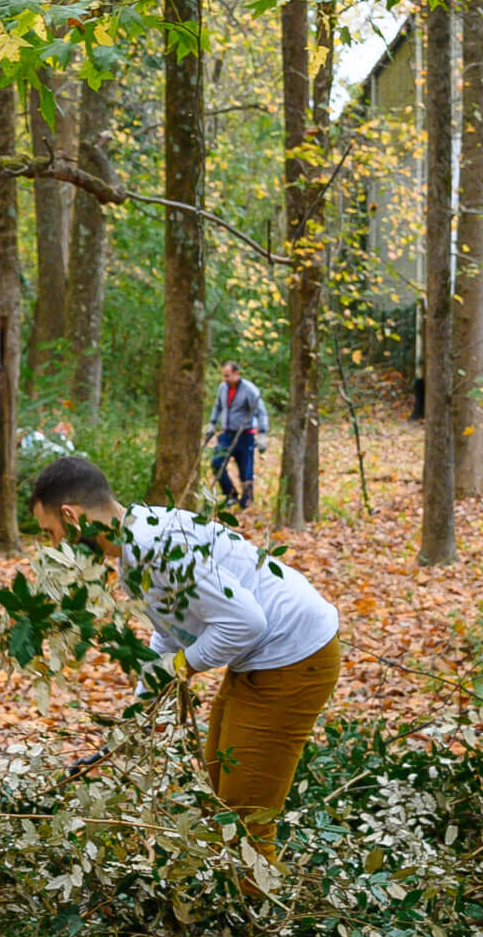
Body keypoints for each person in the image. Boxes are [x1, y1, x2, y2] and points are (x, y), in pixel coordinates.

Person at [29, 452, 341, 858]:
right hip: (260, 660)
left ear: (71, 517)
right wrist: (141, 706)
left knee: (244, 826)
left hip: (293, 655)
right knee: (219, 796)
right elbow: (171, 634)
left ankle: (253, 915)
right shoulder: (133, 548)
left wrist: (179, 669)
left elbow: (245, 623)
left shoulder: (159, 547)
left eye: (51, 533)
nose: (55, 547)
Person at [207, 360, 269, 505]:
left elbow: (261, 412)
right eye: (224, 376)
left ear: (236, 373)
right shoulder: (222, 388)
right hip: (226, 435)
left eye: (228, 376)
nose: (225, 379)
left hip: (245, 435)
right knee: (217, 463)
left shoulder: (249, 389)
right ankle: (230, 494)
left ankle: (246, 502)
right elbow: (218, 407)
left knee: (245, 471)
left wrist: (262, 434)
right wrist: (212, 424)